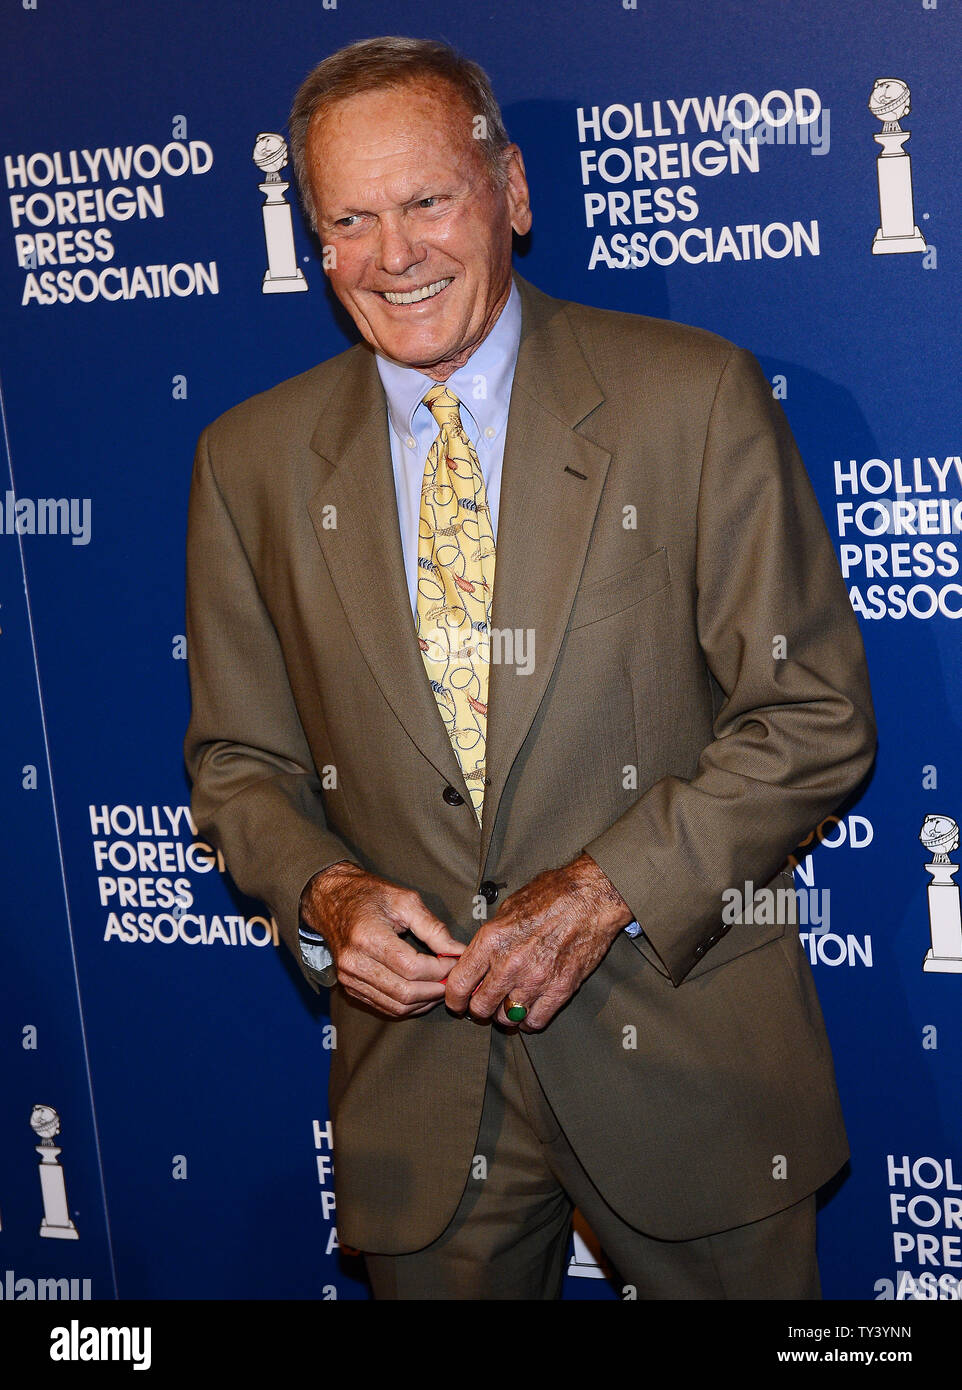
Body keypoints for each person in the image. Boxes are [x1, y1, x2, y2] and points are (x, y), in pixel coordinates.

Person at [184, 36, 876, 1300]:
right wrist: (326, 891)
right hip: (419, 1092)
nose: (393, 254)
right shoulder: (248, 463)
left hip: (684, 1051)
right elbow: (237, 763)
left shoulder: (693, 399)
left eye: (427, 201)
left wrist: (604, 886)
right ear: (315, 242)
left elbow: (810, 714)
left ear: (509, 192)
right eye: (348, 218)